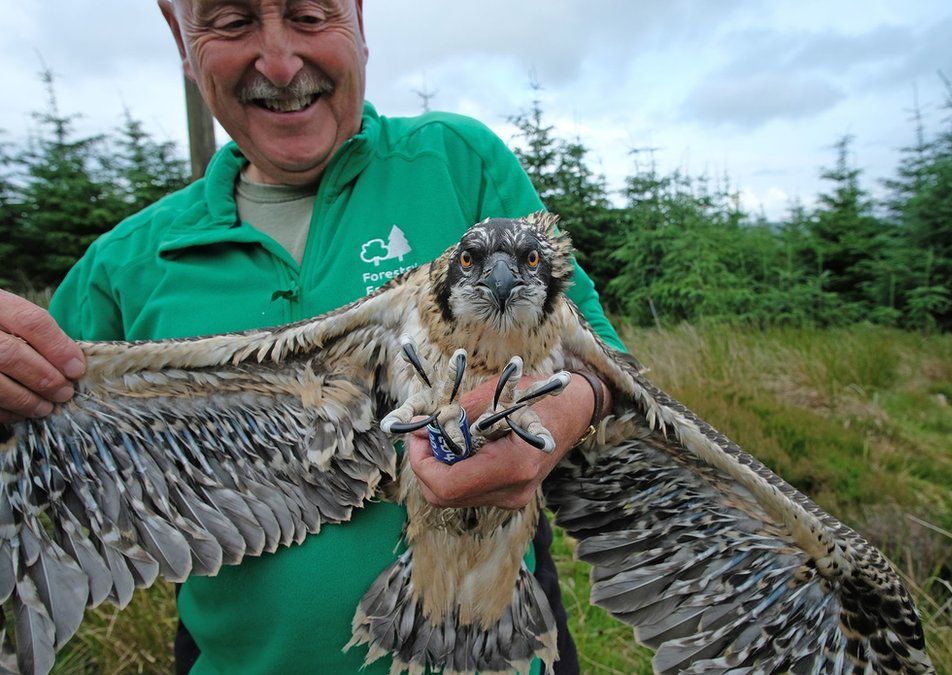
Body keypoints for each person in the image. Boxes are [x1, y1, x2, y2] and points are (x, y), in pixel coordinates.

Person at [0, 0, 625, 672]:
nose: (278, 62)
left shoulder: (458, 163)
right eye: (232, 22)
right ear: (179, 35)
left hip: (495, 641)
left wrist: (569, 410)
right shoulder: (125, 267)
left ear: (358, 17)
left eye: (307, 15)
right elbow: (27, 454)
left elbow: (610, 366)